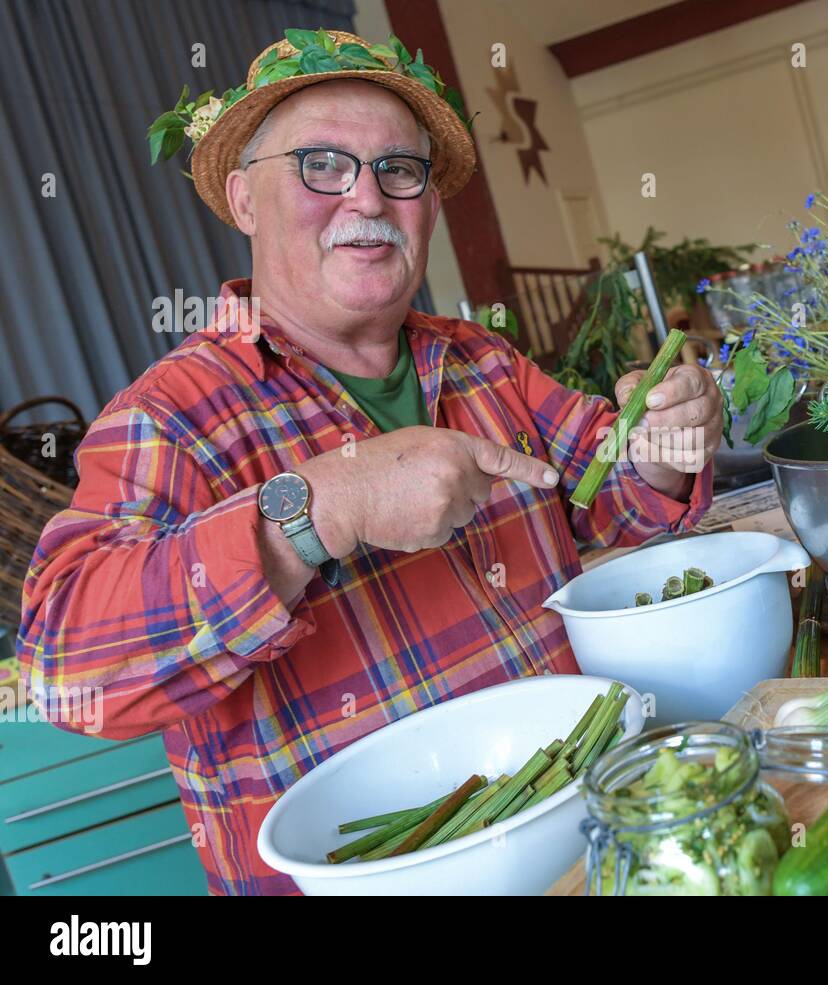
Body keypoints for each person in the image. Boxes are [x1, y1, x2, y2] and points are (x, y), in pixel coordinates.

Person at [17, 29, 721, 894]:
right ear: (244, 199)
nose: (367, 198)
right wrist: (319, 509)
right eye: (320, 164)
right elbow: (66, 671)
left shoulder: (482, 360)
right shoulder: (172, 415)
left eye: (399, 170)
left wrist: (665, 443)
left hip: (599, 849)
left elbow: (619, 497)